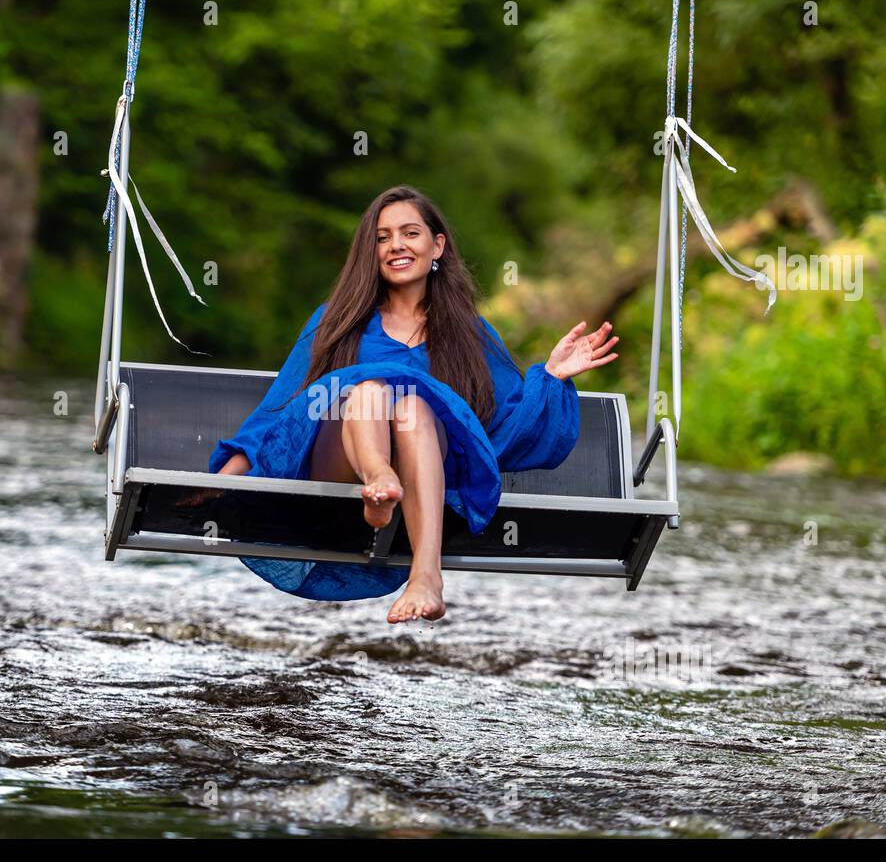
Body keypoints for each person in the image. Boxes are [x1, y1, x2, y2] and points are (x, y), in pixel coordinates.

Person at [208, 185, 619, 624]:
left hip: (421, 495)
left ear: (437, 245)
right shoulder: (336, 321)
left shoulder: (469, 335)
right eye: (382, 238)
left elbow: (504, 431)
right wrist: (223, 482)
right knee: (368, 390)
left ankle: (426, 575)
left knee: (414, 405)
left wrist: (552, 378)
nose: (396, 246)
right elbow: (281, 407)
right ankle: (378, 477)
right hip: (337, 481)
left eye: (409, 233)